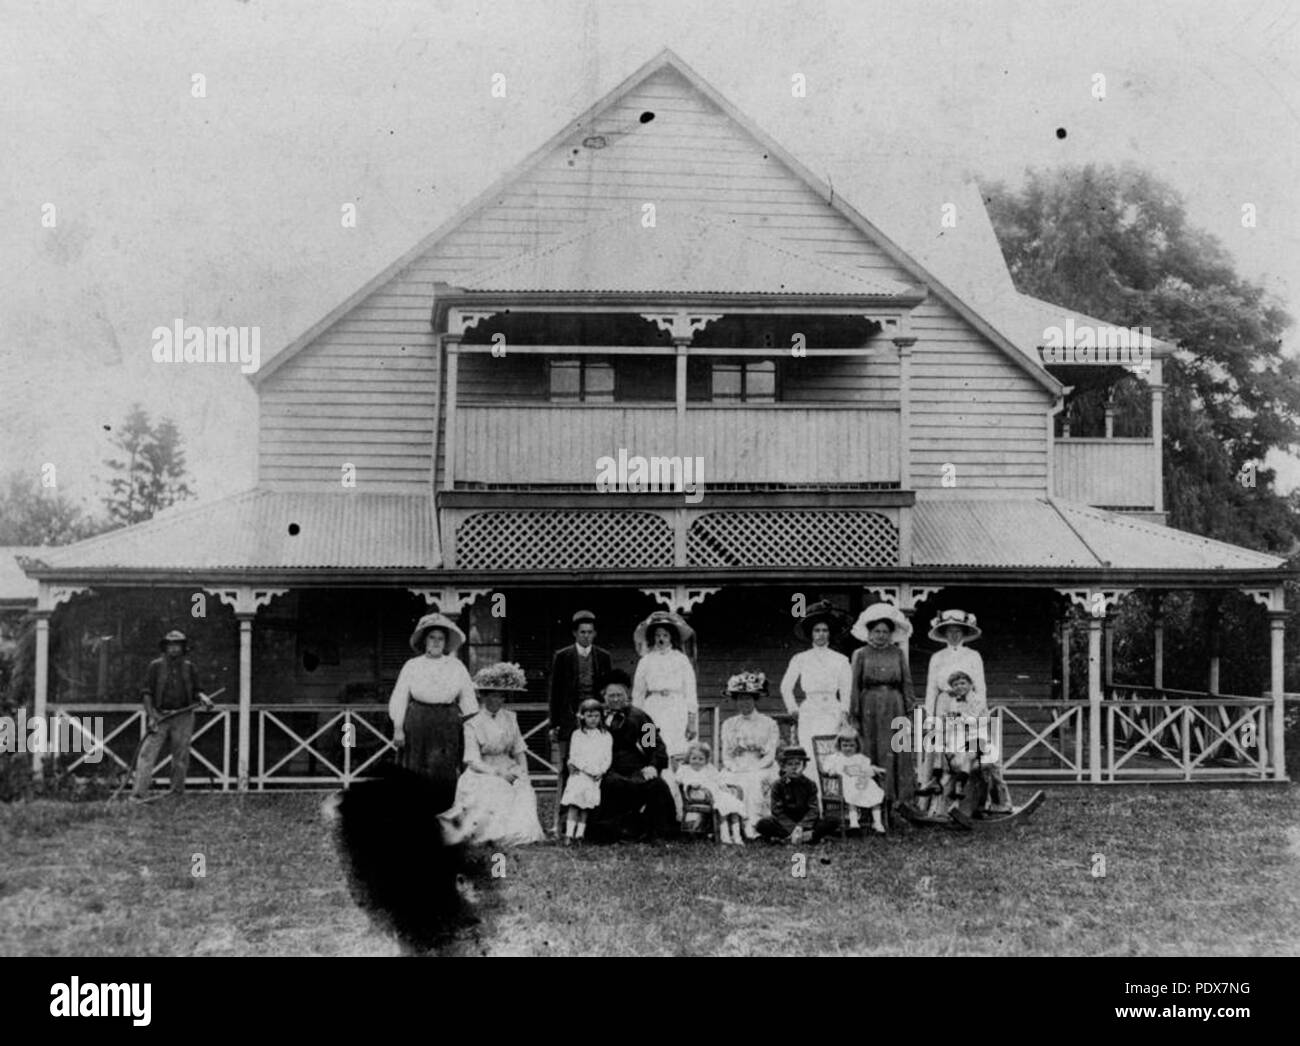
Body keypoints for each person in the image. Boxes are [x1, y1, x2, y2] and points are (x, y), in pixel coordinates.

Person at [389, 613, 478, 806]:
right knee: (417, 768)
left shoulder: (456, 666)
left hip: (448, 720)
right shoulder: (412, 666)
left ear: (446, 642)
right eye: (432, 637)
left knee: (445, 769)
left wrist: (472, 731)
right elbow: (400, 697)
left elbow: (468, 699)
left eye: (441, 638)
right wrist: (398, 728)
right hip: (418, 720)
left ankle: (444, 813)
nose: (436, 642)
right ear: (424, 640)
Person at [454, 662, 545, 846]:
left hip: (507, 763)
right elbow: (472, 760)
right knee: (495, 786)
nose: (498, 700)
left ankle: (518, 833)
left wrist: (524, 773)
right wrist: (497, 773)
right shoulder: (472, 724)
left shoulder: (510, 718)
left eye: (501, 696)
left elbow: (519, 750)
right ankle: (490, 835)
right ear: (484, 697)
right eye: (493, 696)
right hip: (483, 769)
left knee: (521, 786)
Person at [589, 670, 679, 842]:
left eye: (619, 695)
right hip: (606, 767)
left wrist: (653, 766)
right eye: (611, 695)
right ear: (603, 696)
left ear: (627, 695)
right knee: (611, 784)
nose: (615, 699)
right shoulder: (595, 717)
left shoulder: (639, 716)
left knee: (656, 785)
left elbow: (654, 745)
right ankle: (611, 833)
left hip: (634, 767)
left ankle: (659, 832)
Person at [848, 602, 917, 807]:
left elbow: (907, 682)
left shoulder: (898, 654)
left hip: (894, 704)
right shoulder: (860, 654)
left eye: (885, 631)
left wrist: (909, 710)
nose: (881, 635)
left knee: (896, 749)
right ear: (869, 633)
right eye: (877, 631)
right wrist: (855, 715)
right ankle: (872, 801)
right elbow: (854, 686)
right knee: (872, 749)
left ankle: (898, 800)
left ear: (891, 633)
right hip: (869, 706)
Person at [547, 610, 614, 821]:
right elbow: (555, 693)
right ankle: (562, 820)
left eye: (590, 632)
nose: (586, 636)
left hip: (594, 723)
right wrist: (553, 724)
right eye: (582, 632)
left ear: (595, 634)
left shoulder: (603, 657)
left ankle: (591, 821)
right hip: (569, 722)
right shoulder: (563, 656)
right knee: (568, 769)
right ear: (575, 633)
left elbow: (606, 691)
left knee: (594, 767)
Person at [780, 600, 853, 791]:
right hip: (810, 710)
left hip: (831, 709)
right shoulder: (801, 659)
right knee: (810, 752)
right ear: (811, 634)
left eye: (825, 630)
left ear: (830, 633)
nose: (821, 634)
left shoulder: (841, 660)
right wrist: (793, 708)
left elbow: (846, 690)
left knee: (830, 752)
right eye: (817, 630)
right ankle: (814, 801)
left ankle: (834, 799)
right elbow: (785, 687)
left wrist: (844, 714)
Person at [132, 629, 213, 800]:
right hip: (160, 716)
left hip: (183, 717)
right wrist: (152, 716)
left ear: (183, 648)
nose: (174, 649)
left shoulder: (189, 668)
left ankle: (176, 794)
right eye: (171, 645)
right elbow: (147, 693)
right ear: (165, 647)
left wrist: (203, 698)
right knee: (147, 754)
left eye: (178, 645)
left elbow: (198, 691)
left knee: (181, 757)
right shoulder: (155, 666)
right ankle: (139, 795)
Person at [718, 670, 781, 839]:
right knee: (723, 780)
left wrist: (753, 767)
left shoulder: (769, 723)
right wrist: (734, 767)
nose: (743, 702)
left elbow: (770, 755)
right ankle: (730, 825)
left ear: (755, 699)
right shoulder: (728, 724)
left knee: (753, 780)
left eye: (748, 698)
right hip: (737, 765)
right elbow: (726, 755)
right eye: (740, 698)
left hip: (761, 766)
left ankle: (753, 826)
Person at [631, 610, 698, 765]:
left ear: (671, 638)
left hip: (676, 707)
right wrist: (635, 719)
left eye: (665, 635)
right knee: (650, 744)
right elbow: (638, 693)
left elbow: (690, 691)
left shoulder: (681, 659)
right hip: (653, 707)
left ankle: (676, 784)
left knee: (676, 749)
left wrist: (692, 720)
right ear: (652, 637)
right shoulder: (646, 660)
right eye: (658, 635)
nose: (661, 639)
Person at [560, 698, 612, 845]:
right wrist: (588, 770)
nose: (593, 719)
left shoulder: (606, 736)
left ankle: (580, 835)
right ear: (582, 716)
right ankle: (569, 834)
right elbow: (574, 756)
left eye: (596, 715)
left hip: (595, 776)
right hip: (580, 774)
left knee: (586, 806)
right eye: (589, 716)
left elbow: (607, 757)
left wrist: (601, 771)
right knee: (575, 804)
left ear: (601, 716)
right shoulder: (577, 734)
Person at [754, 747, 831, 844]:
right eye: (790, 764)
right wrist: (793, 828)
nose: (794, 768)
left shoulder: (810, 784)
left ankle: (788, 839)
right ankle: (806, 837)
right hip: (785, 823)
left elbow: (814, 809)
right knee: (762, 824)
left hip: (805, 822)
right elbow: (777, 811)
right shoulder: (778, 785)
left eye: (798, 764)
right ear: (783, 767)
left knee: (831, 822)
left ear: (804, 766)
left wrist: (801, 826)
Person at [676, 742, 747, 845]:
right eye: (694, 758)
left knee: (733, 807)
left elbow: (718, 779)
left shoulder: (709, 768)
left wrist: (723, 786)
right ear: (689, 758)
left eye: (701, 759)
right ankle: (725, 836)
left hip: (714, 794)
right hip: (697, 795)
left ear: (706, 760)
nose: (697, 761)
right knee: (722, 807)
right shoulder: (685, 769)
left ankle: (736, 836)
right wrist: (691, 784)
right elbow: (679, 780)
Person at [820, 728, 887, 836]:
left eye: (851, 745)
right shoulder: (836, 758)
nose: (848, 748)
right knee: (852, 797)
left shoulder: (860, 758)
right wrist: (831, 771)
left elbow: (867, 768)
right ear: (839, 745)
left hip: (862, 783)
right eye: (845, 745)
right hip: (844, 785)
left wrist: (875, 769)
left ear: (857, 746)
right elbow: (827, 768)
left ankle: (877, 823)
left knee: (876, 796)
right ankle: (854, 823)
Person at [923, 610, 987, 717]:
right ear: (944, 633)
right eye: (950, 631)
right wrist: (929, 715)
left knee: (967, 732)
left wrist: (979, 710)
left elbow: (980, 687)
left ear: (963, 633)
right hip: (945, 704)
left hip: (969, 703)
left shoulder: (973, 655)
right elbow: (931, 689)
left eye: (958, 631)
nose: (954, 635)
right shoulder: (937, 657)